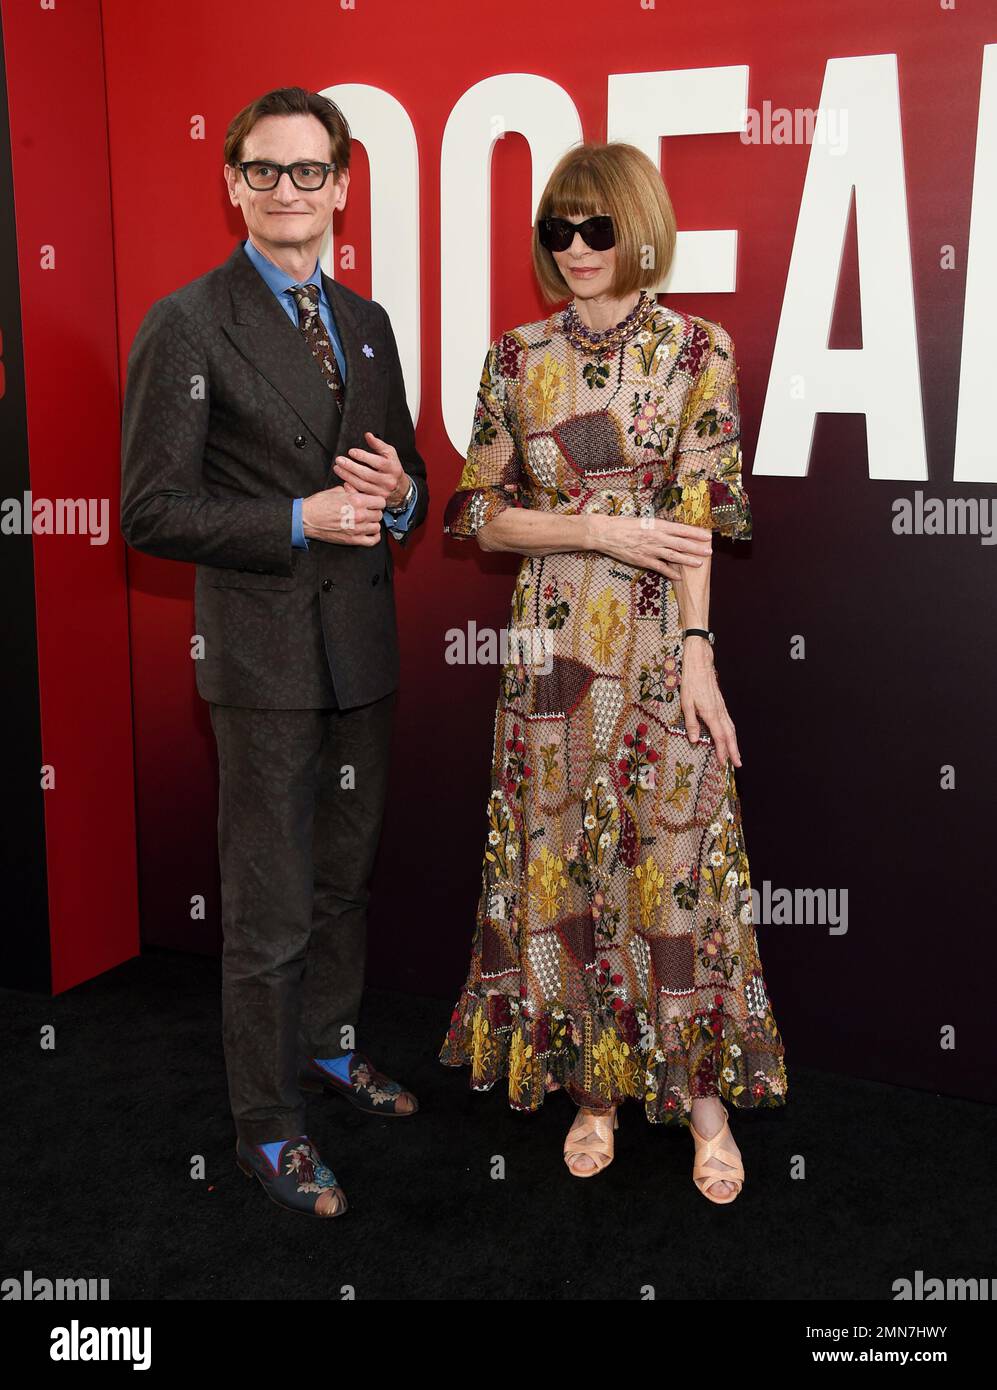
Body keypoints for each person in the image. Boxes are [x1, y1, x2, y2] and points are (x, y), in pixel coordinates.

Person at [439, 141, 787, 1203]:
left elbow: (693, 523)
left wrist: (697, 655)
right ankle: (593, 1087)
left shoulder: (697, 352)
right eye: (559, 230)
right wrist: (602, 526)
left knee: (679, 866)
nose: (578, 249)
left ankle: (702, 1102)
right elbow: (474, 513)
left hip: (652, 647)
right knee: (561, 864)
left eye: (596, 228)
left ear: (637, 227)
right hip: (549, 646)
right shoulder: (516, 356)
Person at [120, 86, 428, 1219]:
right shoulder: (187, 324)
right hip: (260, 664)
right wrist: (297, 519)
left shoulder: (368, 320)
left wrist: (400, 497)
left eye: (309, 172)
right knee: (267, 907)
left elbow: (411, 483)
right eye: (265, 170)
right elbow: (148, 509)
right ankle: (269, 1127)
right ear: (232, 182)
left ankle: (335, 1048)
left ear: (343, 185)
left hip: (362, 651)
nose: (288, 190)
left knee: (344, 882)